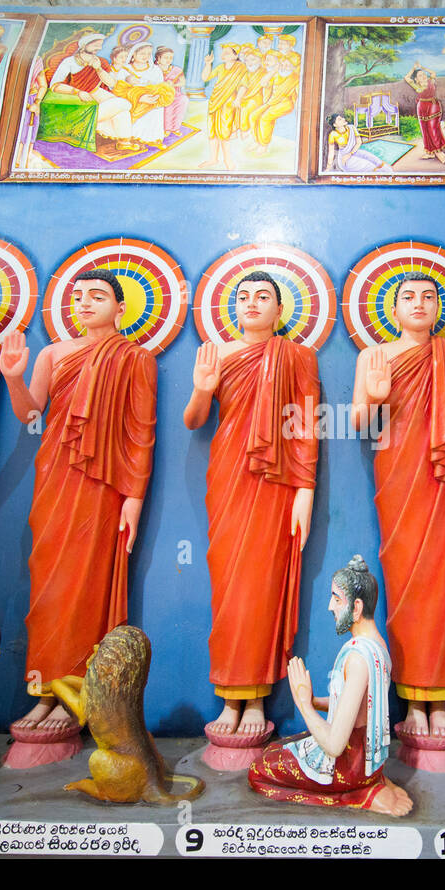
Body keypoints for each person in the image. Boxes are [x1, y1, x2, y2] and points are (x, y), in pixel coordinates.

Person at [0, 269, 157, 733]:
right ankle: (43, 689)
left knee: (88, 578)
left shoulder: (135, 358)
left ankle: (77, 692)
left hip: (104, 482)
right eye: (79, 296)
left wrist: (134, 495)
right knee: (49, 577)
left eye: (98, 296)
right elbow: (31, 413)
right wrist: (12, 377)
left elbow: (140, 431)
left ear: (121, 307)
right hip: (55, 472)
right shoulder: (52, 353)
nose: (85, 303)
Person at [184, 270, 319, 740]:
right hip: (229, 474)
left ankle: (257, 697)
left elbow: (305, 423)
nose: (253, 303)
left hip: (277, 479)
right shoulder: (216, 353)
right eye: (243, 296)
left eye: (264, 296)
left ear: (280, 310)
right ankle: (228, 695)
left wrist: (306, 490)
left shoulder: (298, 356)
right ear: (232, 307)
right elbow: (193, 420)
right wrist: (203, 387)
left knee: (260, 582)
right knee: (228, 584)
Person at [352, 272, 445, 742]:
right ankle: (410, 701)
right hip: (398, 478)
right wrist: (375, 397)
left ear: (439, 307)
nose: (419, 303)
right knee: (406, 585)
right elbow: (358, 424)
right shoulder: (374, 356)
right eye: (409, 296)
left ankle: (442, 702)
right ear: (393, 309)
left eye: (429, 297)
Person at [248, 556, 413, 815]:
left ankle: (363, 794)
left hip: (349, 766)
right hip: (367, 759)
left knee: (259, 770)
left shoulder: (358, 659)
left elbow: (335, 745)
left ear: (356, 608)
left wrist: (304, 706)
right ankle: (376, 781)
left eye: (337, 599)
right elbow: (355, 705)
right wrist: (315, 701)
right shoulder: (379, 646)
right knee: (275, 748)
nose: (330, 607)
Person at [48, 32, 140, 155]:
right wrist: (77, 91)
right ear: (84, 45)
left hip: (96, 92)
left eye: (100, 45)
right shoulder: (70, 62)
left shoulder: (100, 61)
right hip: (75, 96)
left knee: (123, 108)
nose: (99, 48)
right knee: (123, 105)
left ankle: (123, 142)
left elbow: (112, 83)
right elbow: (54, 85)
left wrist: (98, 69)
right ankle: (84, 123)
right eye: (95, 44)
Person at [199, 43, 248, 170]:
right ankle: (213, 159)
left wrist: (238, 99)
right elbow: (205, 77)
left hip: (229, 102)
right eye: (223, 52)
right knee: (212, 131)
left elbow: (243, 85)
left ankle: (228, 160)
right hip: (215, 101)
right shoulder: (220, 67)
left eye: (227, 52)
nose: (223, 55)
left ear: (235, 55)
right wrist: (208, 63)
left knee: (224, 132)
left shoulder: (240, 67)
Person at [403, 63, 445, 163]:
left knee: (433, 128)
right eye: (420, 75)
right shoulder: (416, 85)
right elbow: (406, 77)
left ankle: (439, 151)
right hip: (422, 107)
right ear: (416, 79)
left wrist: (422, 68)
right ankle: (430, 152)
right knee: (425, 130)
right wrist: (414, 68)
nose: (423, 76)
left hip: (433, 106)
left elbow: (433, 73)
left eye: (424, 74)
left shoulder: (430, 81)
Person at [326, 113, 391, 174]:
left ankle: (387, 171)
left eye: (342, 118)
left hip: (353, 152)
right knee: (368, 165)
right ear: (335, 125)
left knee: (370, 157)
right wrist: (328, 168)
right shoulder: (333, 134)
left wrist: (350, 154)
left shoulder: (351, 128)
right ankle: (381, 173)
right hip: (344, 159)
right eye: (340, 119)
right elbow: (331, 152)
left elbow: (359, 142)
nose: (343, 119)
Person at [156, 46, 187, 136]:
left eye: (170, 58)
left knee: (183, 99)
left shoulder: (176, 70)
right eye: (166, 57)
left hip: (174, 93)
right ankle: (167, 128)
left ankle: (175, 127)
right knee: (167, 103)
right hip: (159, 93)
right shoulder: (154, 69)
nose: (169, 60)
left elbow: (183, 82)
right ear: (158, 58)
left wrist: (173, 85)